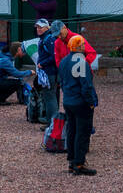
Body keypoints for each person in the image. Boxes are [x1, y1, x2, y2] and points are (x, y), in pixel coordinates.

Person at [59, 34, 97, 176]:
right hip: (80, 102)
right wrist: (90, 102)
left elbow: (61, 82)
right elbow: (86, 86)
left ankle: (71, 161)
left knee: (71, 131)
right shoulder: (82, 62)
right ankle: (79, 163)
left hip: (68, 101)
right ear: (80, 46)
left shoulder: (64, 61)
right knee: (82, 132)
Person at [34, 18, 59, 128]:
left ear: (47, 28)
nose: (38, 29)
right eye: (37, 27)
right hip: (47, 73)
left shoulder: (48, 39)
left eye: (41, 27)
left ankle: (52, 124)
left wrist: (42, 63)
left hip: (49, 72)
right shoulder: (44, 38)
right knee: (49, 97)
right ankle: (51, 122)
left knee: (50, 98)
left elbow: (54, 56)